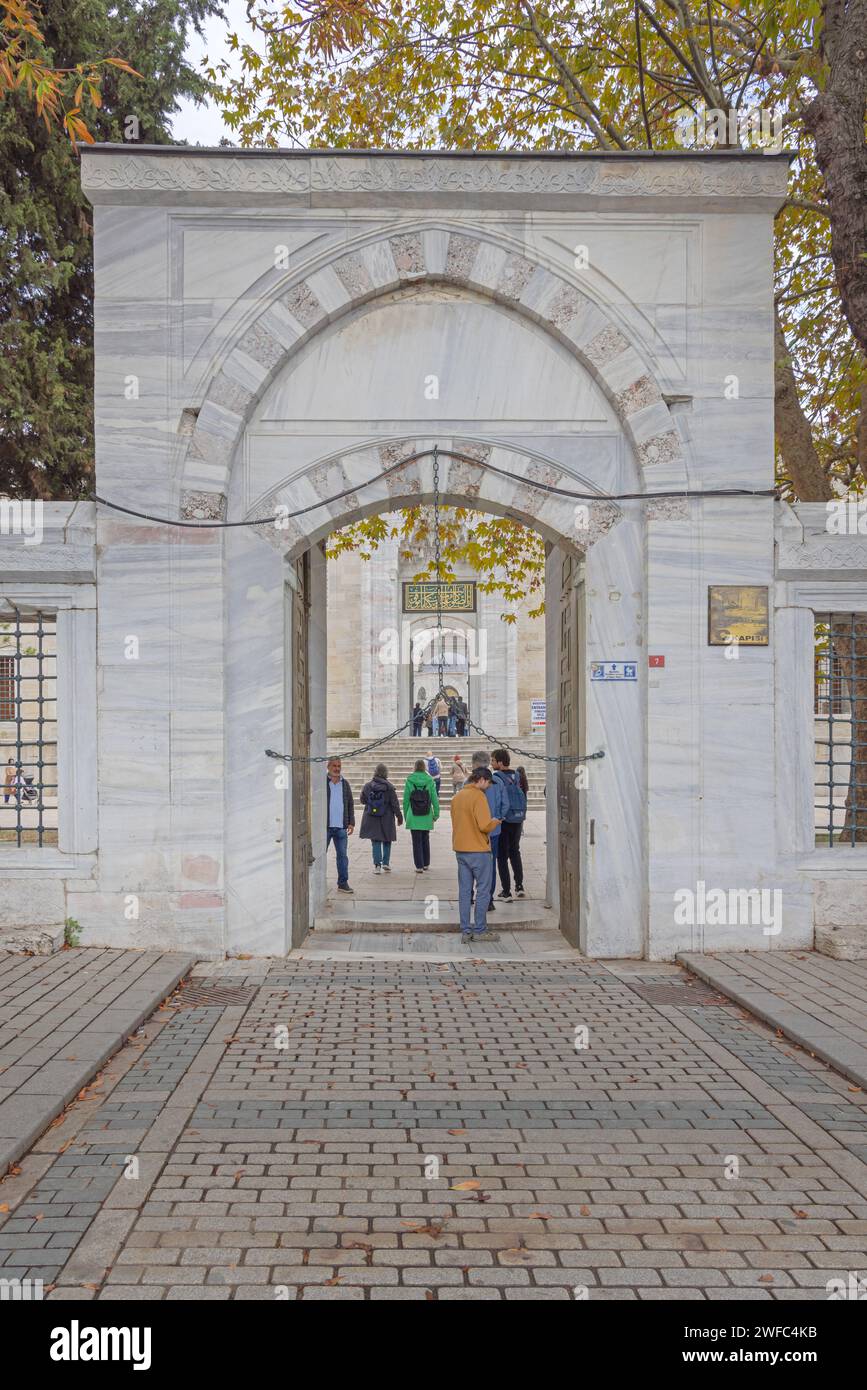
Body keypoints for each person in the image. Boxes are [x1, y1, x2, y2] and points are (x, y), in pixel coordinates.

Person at [450, 767, 501, 942]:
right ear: (481, 780)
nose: (488, 787)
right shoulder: (479, 796)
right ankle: (479, 930)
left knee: (464, 892)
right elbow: (484, 825)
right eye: (487, 783)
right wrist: (495, 822)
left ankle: (465, 930)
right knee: (483, 891)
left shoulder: (457, 798)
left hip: (461, 849)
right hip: (479, 850)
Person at [491, 748, 527, 901]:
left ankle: (506, 891)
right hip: (518, 818)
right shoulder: (518, 775)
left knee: (502, 856)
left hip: (504, 820)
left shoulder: (496, 777)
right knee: (515, 851)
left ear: (500, 762)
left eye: (493, 760)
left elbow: (497, 799)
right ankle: (519, 886)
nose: (491, 763)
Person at [359, 763, 402, 873]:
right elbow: (394, 804)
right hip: (386, 817)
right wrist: (399, 816)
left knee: (376, 840)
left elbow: (363, 800)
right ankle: (386, 863)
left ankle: (377, 865)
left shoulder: (368, 786)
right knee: (387, 839)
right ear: (386, 773)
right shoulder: (389, 787)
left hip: (371, 817)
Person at [403, 758, 439, 873]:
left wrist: (405, 815)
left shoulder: (409, 780)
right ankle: (426, 864)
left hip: (413, 815)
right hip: (426, 814)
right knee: (425, 839)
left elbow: (405, 800)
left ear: (415, 767)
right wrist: (436, 814)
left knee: (416, 841)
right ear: (424, 767)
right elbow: (434, 798)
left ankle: (418, 866)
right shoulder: (429, 780)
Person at [325, 756, 355, 893]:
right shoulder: (323, 783)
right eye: (334, 766)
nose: (337, 768)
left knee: (342, 856)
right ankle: (319, 882)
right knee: (320, 855)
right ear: (328, 767)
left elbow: (350, 803)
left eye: (339, 766)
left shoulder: (345, 784)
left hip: (341, 827)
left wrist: (351, 822)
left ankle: (343, 883)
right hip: (325, 827)